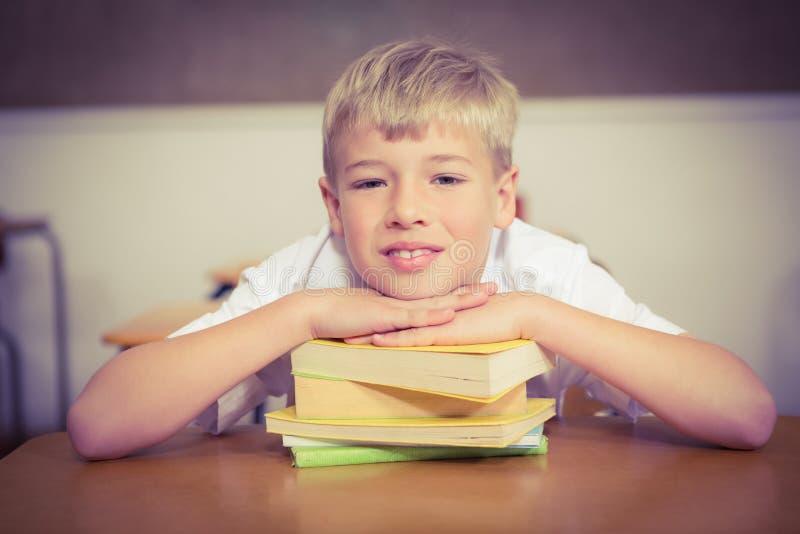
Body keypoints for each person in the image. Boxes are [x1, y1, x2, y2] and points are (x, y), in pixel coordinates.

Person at [67, 39, 776, 460]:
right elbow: (98, 426)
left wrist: (541, 317)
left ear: (503, 198)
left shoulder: (539, 271)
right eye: (372, 182)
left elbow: (746, 414)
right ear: (334, 207)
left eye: (444, 177)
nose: (407, 210)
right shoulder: (306, 278)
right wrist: (298, 319)